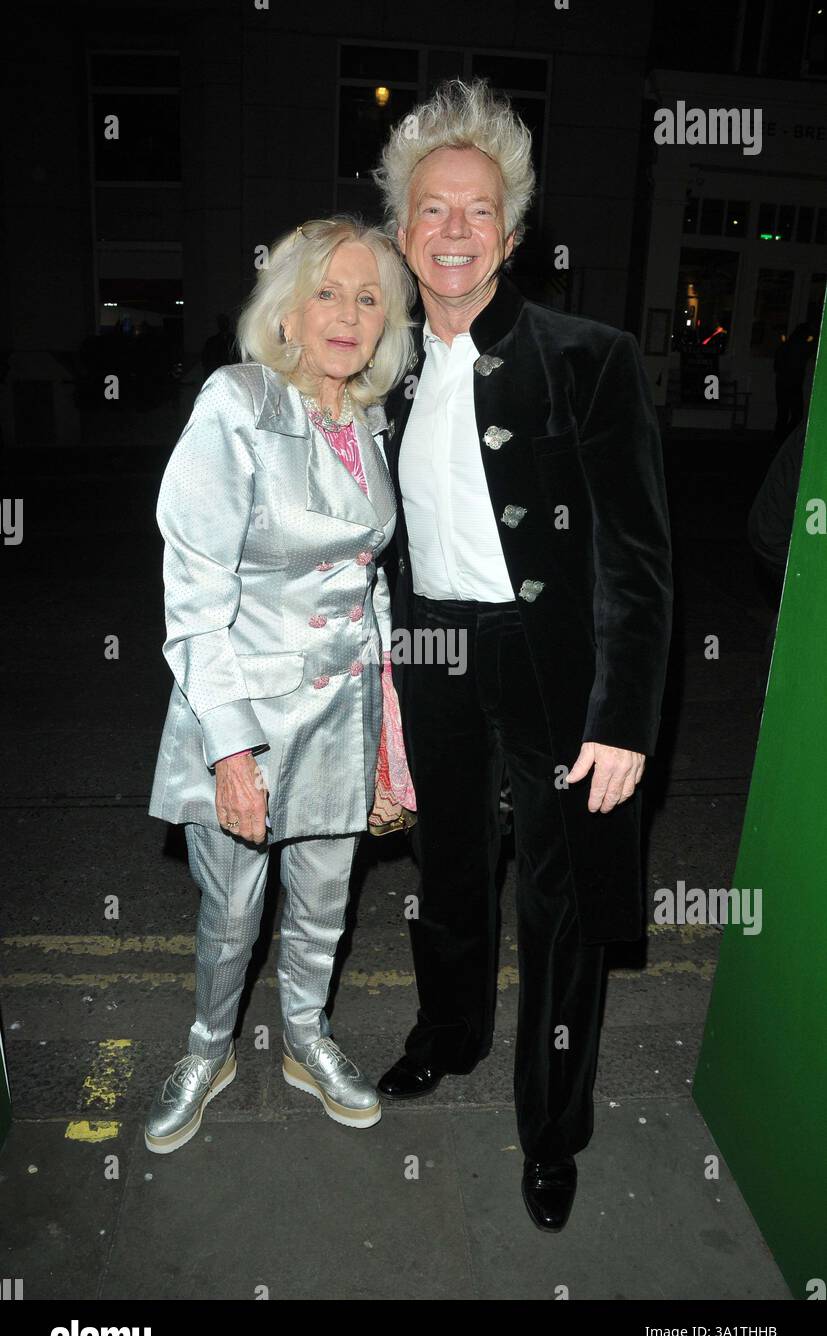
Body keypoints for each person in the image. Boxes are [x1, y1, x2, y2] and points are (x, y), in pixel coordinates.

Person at [371, 79, 673, 1231]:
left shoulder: (586, 357)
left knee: (560, 906)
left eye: (479, 211)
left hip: (551, 659)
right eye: (432, 211)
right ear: (403, 230)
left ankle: (552, 1129)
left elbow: (638, 560)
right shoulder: (378, 369)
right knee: (446, 875)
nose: (454, 231)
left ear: (513, 229)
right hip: (434, 648)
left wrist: (623, 718)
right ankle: (445, 1036)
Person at [145, 216, 414, 1152]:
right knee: (231, 912)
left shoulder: (368, 418)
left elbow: (365, 582)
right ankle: (206, 1049)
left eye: (369, 297)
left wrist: (388, 733)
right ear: (287, 313)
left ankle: (306, 1038)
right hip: (247, 715)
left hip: (342, 716)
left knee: (325, 906)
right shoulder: (237, 402)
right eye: (327, 293)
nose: (348, 314)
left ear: (387, 325)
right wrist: (229, 745)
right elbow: (193, 586)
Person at [773, 324, 814, 440]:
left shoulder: (786, 346)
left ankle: (779, 439)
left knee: (783, 414)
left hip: (782, 382)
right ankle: (785, 437)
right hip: (793, 383)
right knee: (796, 415)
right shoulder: (801, 346)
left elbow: (776, 366)